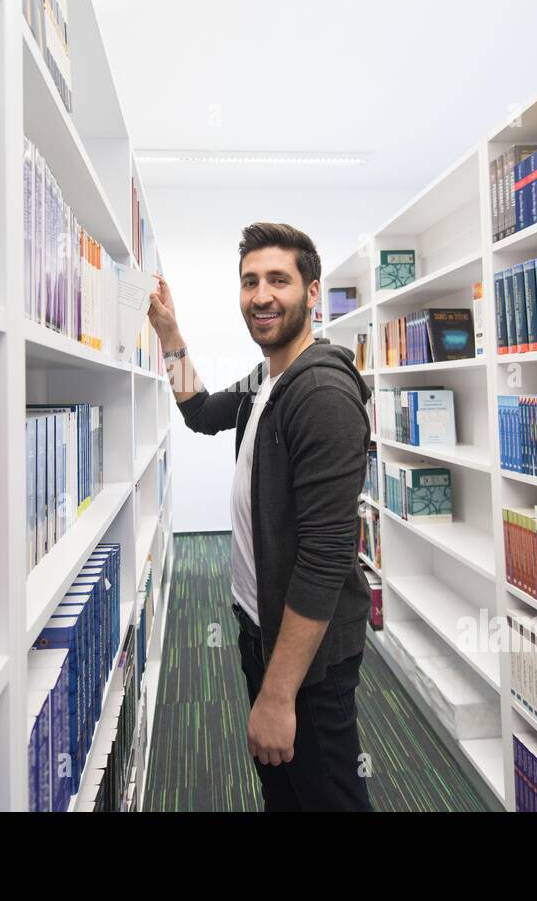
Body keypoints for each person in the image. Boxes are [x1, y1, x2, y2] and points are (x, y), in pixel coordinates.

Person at [147, 222, 373, 811]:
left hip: (307, 660)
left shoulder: (319, 393)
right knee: (285, 795)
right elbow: (199, 411)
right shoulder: (268, 379)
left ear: (312, 292)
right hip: (262, 629)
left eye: (279, 279)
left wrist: (277, 694)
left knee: (329, 796)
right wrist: (170, 335)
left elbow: (326, 558)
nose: (261, 295)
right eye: (250, 282)